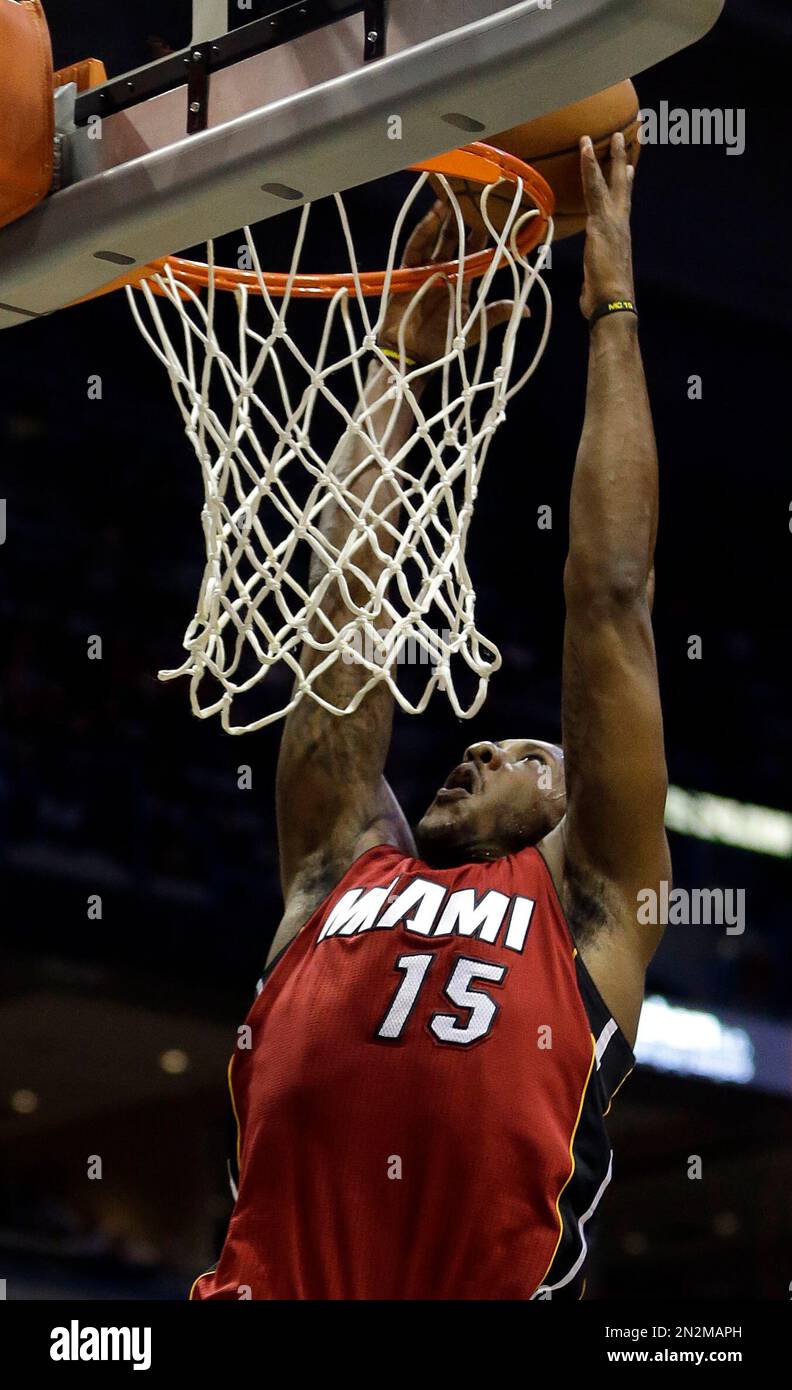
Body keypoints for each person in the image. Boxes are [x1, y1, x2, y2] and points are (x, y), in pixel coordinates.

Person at [190, 133, 670, 1301]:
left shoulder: (587, 911)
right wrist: (398, 368)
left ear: (573, 811)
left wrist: (611, 299)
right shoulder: (334, 874)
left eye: (527, 754)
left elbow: (608, 595)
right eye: (488, 738)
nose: (481, 746)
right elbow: (346, 611)